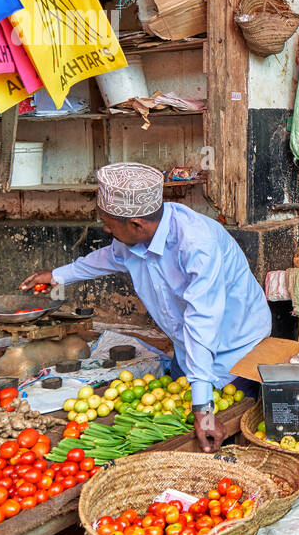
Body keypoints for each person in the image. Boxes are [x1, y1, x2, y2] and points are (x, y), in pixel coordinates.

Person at [20, 163, 271, 452]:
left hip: (237, 345)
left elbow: (203, 321)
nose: (105, 229)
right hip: (189, 346)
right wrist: (57, 275)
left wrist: (203, 407)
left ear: (137, 225)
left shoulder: (197, 244)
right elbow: (108, 258)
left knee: (228, 425)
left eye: (109, 224)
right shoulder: (134, 239)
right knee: (177, 415)